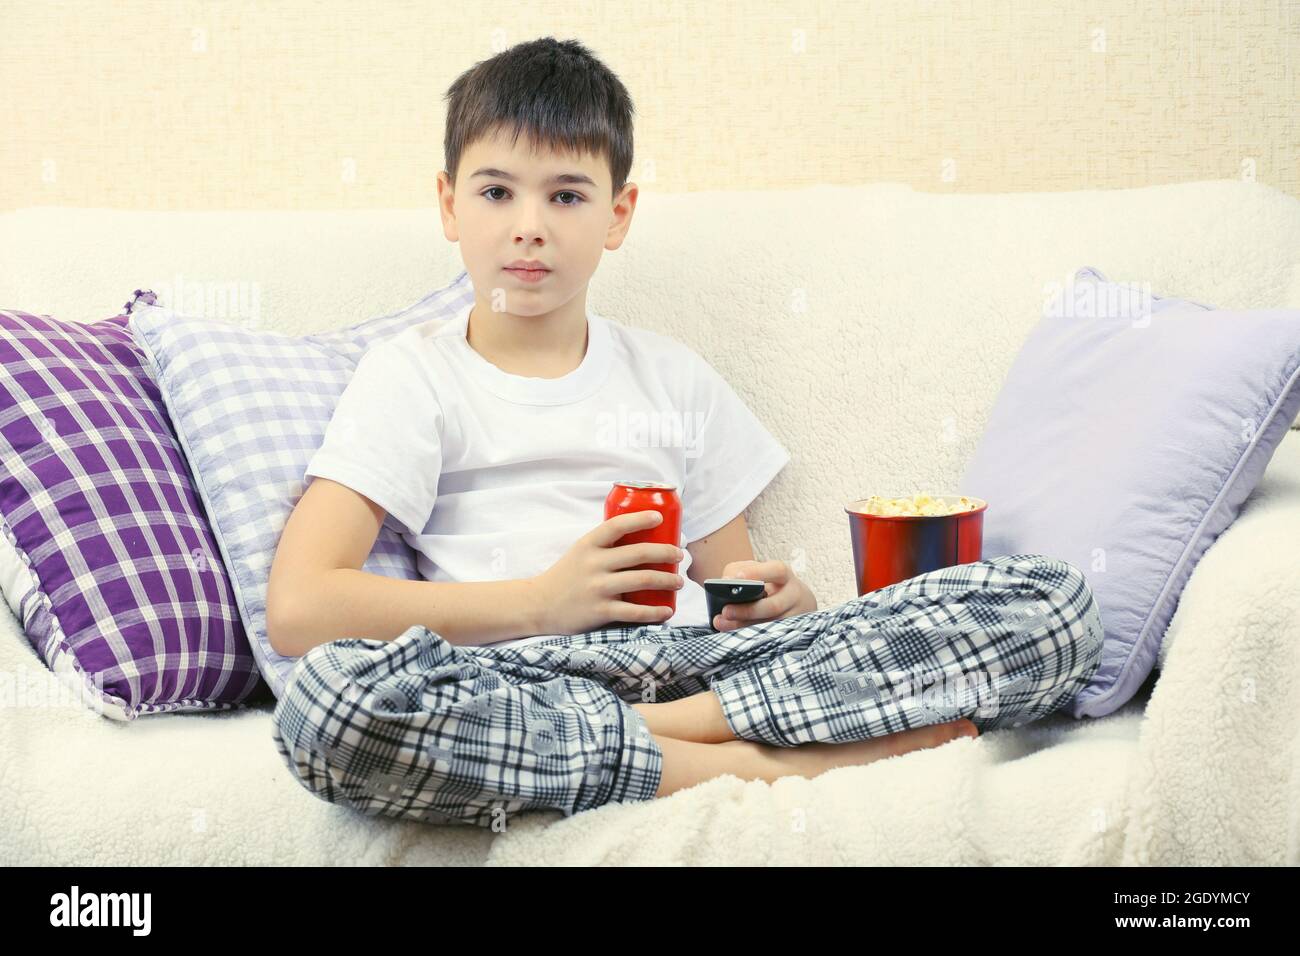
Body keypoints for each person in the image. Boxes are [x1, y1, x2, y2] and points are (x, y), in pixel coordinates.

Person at [265, 37, 1104, 830]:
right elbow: (301, 608)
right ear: (449, 205)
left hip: (700, 669)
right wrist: (541, 602)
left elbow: (726, 585)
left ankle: (667, 730)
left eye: (565, 195)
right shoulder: (414, 377)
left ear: (618, 214)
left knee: (1054, 605)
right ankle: (763, 767)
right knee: (330, 704)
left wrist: (774, 607)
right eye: (495, 191)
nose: (529, 225)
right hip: (518, 677)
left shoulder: (671, 377)